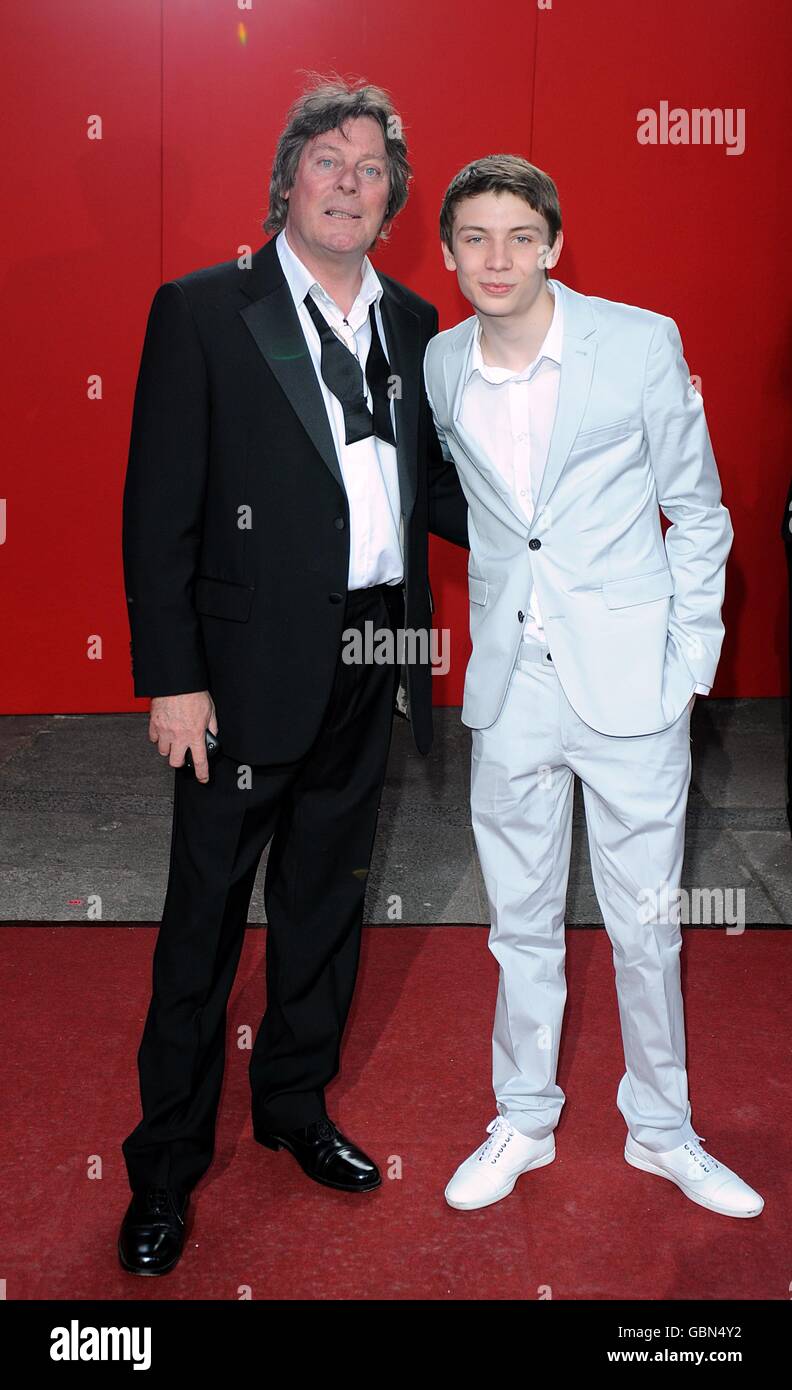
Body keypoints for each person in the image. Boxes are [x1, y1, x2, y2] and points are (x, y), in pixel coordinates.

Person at [118, 76, 468, 1276]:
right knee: (202, 929)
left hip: (373, 654)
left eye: (372, 169)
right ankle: (162, 1167)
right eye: (328, 160)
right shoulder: (207, 309)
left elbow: (433, 494)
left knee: (325, 907)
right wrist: (173, 677)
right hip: (237, 673)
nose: (348, 183)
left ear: (393, 200)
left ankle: (294, 1108)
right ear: (287, 178)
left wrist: (566, 510)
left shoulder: (417, 324)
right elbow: (157, 510)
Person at [423, 154, 764, 1218]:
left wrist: (689, 669)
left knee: (646, 922)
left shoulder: (639, 344)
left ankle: (661, 1129)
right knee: (517, 920)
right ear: (445, 252)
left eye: (521, 236)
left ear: (555, 244)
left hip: (631, 686)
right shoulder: (440, 364)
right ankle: (523, 1114)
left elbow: (698, 514)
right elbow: (495, 522)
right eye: (475, 237)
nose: (498, 258)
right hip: (511, 685)